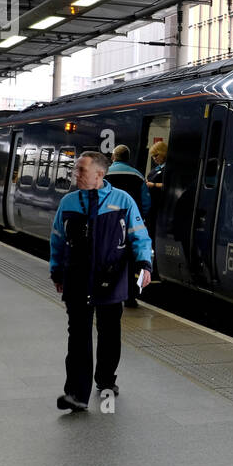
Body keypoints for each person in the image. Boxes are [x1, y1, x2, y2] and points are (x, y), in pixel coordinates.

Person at [49, 151, 153, 412]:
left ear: (99, 174)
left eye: (81, 170)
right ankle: (76, 394)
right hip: (77, 276)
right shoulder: (69, 202)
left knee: (109, 331)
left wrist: (144, 265)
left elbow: (140, 235)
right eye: (75, 170)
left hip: (112, 276)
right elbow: (57, 240)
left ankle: (106, 379)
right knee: (78, 335)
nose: (76, 174)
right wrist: (56, 271)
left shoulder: (123, 200)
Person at [105, 145, 152, 309]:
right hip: (130, 227)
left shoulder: (105, 174)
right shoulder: (138, 176)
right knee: (131, 263)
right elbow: (146, 203)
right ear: (128, 158)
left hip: (107, 226)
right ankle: (130, 297)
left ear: (113, 157)